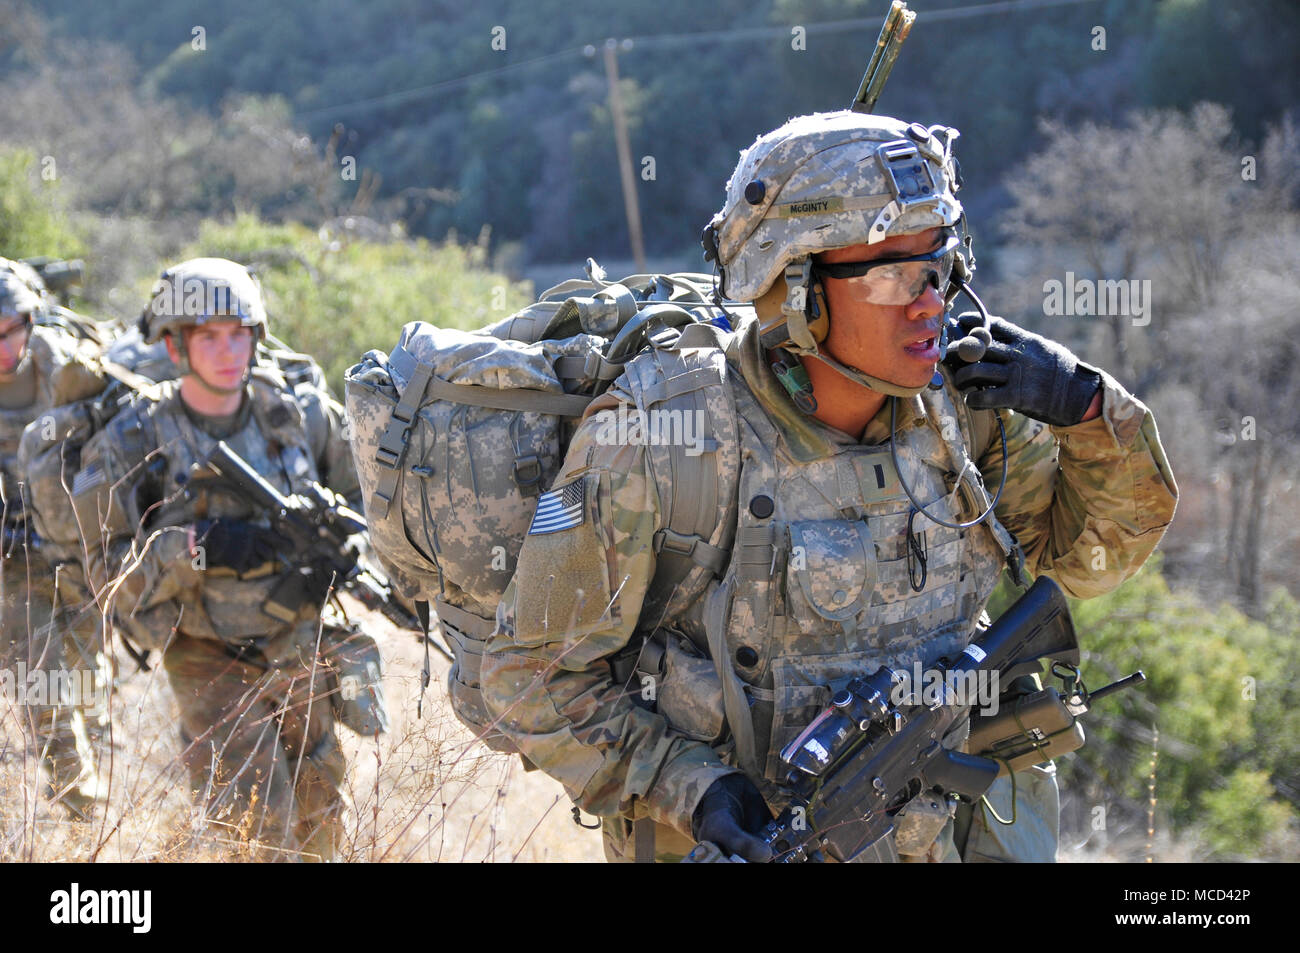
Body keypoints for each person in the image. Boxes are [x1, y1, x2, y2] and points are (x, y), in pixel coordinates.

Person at [480, 111, 1178, 862]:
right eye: (889, 274)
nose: (930, 303)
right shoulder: (664, 438)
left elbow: (1092, 564)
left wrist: (1090, 410)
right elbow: (530, 680)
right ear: (798, 291)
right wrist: (692, 787)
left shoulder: (968, 413)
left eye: (938, 265)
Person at [67, 258, 360, 860]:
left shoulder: (298, 414)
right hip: (205, 653)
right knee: (255, 833)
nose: (229, 350)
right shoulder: (132, 439)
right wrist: (197, 548)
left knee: (324, 820)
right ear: (175, 346)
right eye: (209, 336)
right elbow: (105, 569)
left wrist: (349, 548)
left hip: (299, 639)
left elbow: (365, 499)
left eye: (239, 333)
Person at [0, 261, 108, 818]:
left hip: (72, 549)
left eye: (9, 330)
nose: (1, 346)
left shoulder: (67, 365)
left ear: (29, 321)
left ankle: (106, 788)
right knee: (39, 679)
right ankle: (82, 805)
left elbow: (113, 429)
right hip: (9, 562)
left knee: (90, 673)